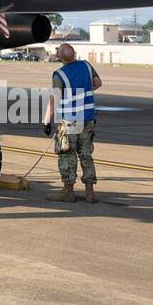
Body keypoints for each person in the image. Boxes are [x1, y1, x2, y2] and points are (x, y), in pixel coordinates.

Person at [41, 43, 103, 203]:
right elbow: (97, 83)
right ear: (74, 55)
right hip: (88, 118)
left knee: (67, 154)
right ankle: (90, 192)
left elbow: (54, 99)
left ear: (60, 57)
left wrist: (47, 121)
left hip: (70, 121)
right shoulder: (86, 66)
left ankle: (68, 191)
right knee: (86, 154)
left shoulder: (59, 75)